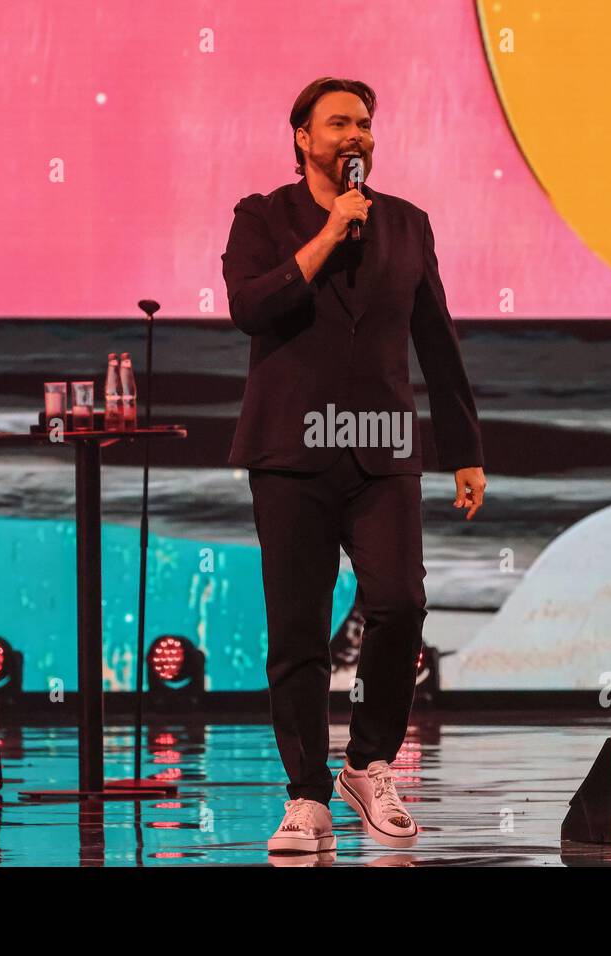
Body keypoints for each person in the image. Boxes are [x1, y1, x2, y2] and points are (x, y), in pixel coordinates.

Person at [221, 77, 486, 853]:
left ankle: (367, 763)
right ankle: (305, 797)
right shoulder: (262, 217)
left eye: (365, 123)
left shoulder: (406, 224)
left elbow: (436, 340)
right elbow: (249, 306)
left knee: (400, 603)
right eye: (338, 122)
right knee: (298, 630)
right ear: (302, 136)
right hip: (289, 451)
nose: (356, 134)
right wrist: (330, 233)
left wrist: (464, 451)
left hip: (383, 449)